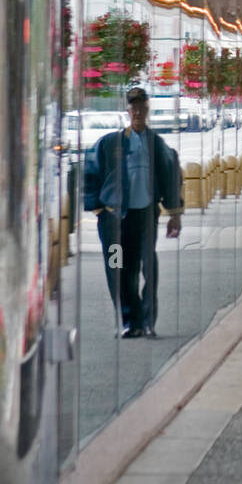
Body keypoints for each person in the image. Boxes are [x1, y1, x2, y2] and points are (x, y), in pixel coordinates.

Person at [83, 86, 183, 338]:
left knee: (148, 266)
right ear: (128, 110)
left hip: (144, 218)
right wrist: (97, 207)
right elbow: (90, 171)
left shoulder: (156, 144)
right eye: (133, 107)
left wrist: (174, 213)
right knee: (118, 267)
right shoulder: (110, 143)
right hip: (114, 222)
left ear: (148, 109)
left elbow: (171, 175)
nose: (137, 111)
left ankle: (147, 320)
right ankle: (130, 320)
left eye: (141, 106)